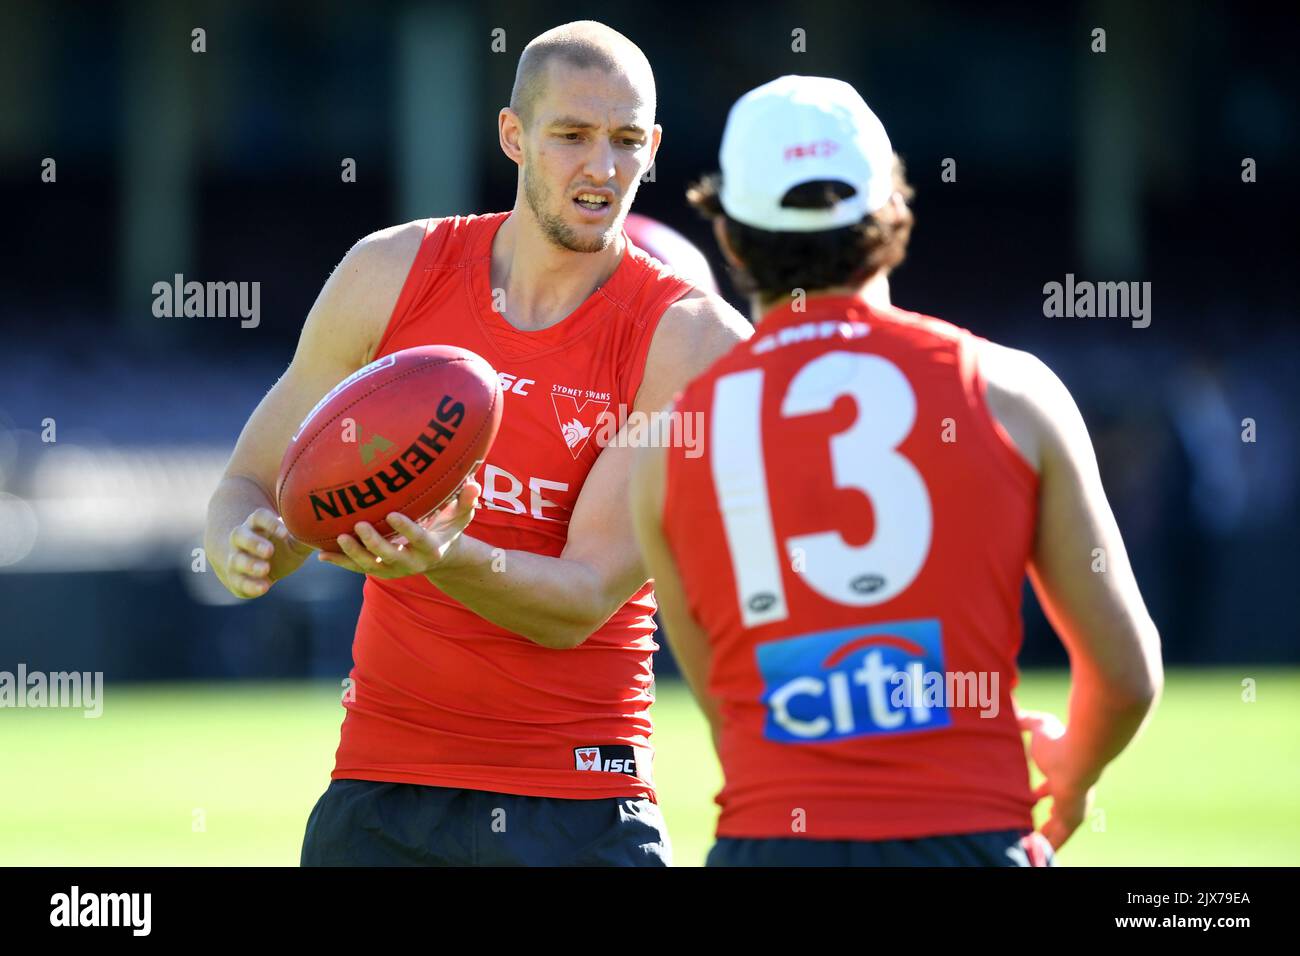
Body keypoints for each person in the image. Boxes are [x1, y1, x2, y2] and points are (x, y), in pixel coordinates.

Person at [203, 21, 749, 866]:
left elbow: (581, 600)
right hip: (380, 794)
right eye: (572, 135)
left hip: (579, 799)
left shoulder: (691, 338)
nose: (602, 168)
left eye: (626, 141)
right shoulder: (390, 272)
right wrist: (246, 543)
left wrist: (445, 557)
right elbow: (248, 484)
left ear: (655, 147)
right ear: (514, 135)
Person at [629, 75, 1163, 866]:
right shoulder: (1013, 392)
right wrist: (1074, 774)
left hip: (772, 843)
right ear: (894, 213)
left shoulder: (670, 444)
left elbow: (728, 707)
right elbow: (1126, 677)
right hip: (972, 842)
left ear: (732, 240)